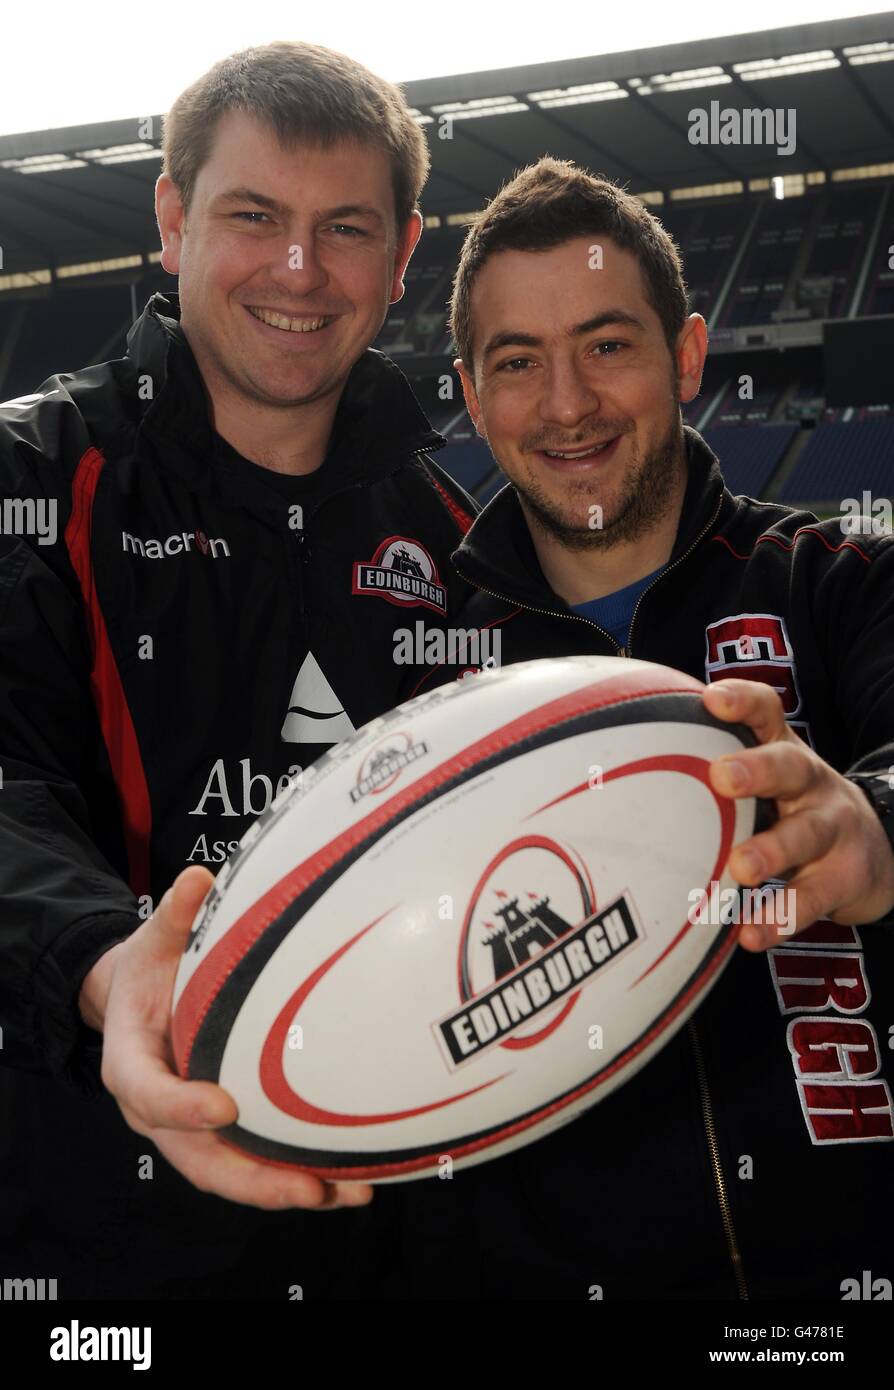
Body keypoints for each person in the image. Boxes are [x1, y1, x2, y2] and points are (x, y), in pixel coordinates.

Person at [0, 40, 476, 1301]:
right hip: (94, 1236)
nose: (300, 271)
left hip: (396, 1220)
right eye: (253, 217)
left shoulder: (447, 526)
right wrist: (111, 967)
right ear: (171, 219)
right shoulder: (33, 475)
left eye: (346, 229)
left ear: (405, 252)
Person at [385, 158, 894, 1300]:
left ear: (688, 355)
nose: (566, 404)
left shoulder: (843, 583)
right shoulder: (417, 686)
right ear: (470, 393)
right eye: (518, 362)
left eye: (608, 345)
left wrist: (878, 819)